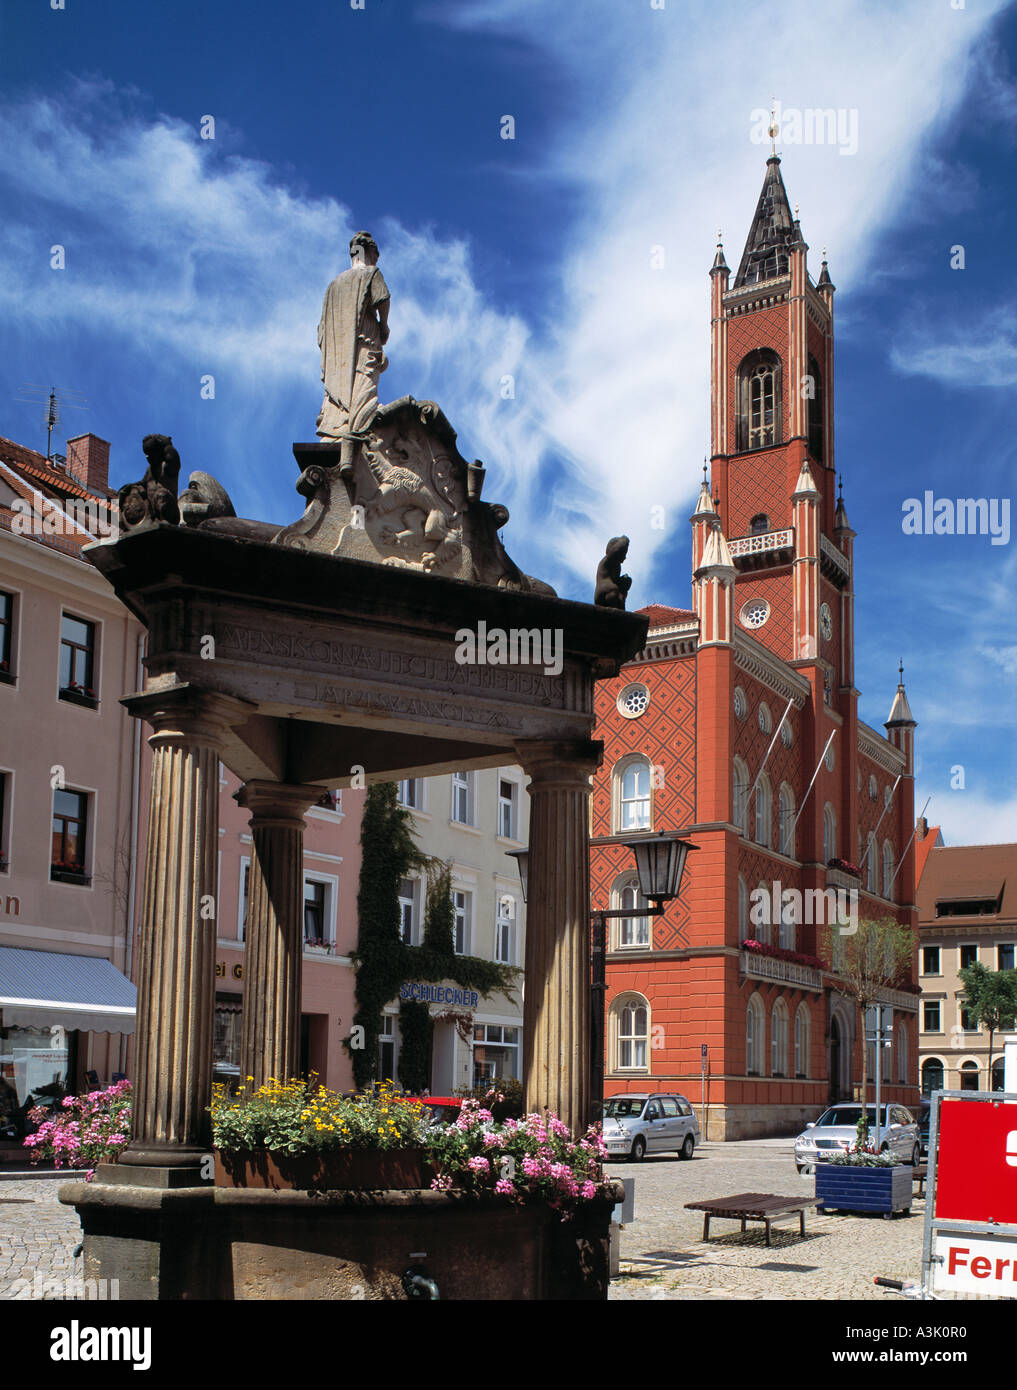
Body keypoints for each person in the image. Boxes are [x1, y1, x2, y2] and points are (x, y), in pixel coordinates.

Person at [316, 231, 390, 478]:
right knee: (364, 388)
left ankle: (335, 432)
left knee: (340, 395)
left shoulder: (333, 285)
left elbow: (321, 332)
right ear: (370, 253)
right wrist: (384, 325)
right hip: (364, 343)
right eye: (375, 256)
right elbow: (382, 299)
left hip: (337, 358)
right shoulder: (371, 273)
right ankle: (357, 433)